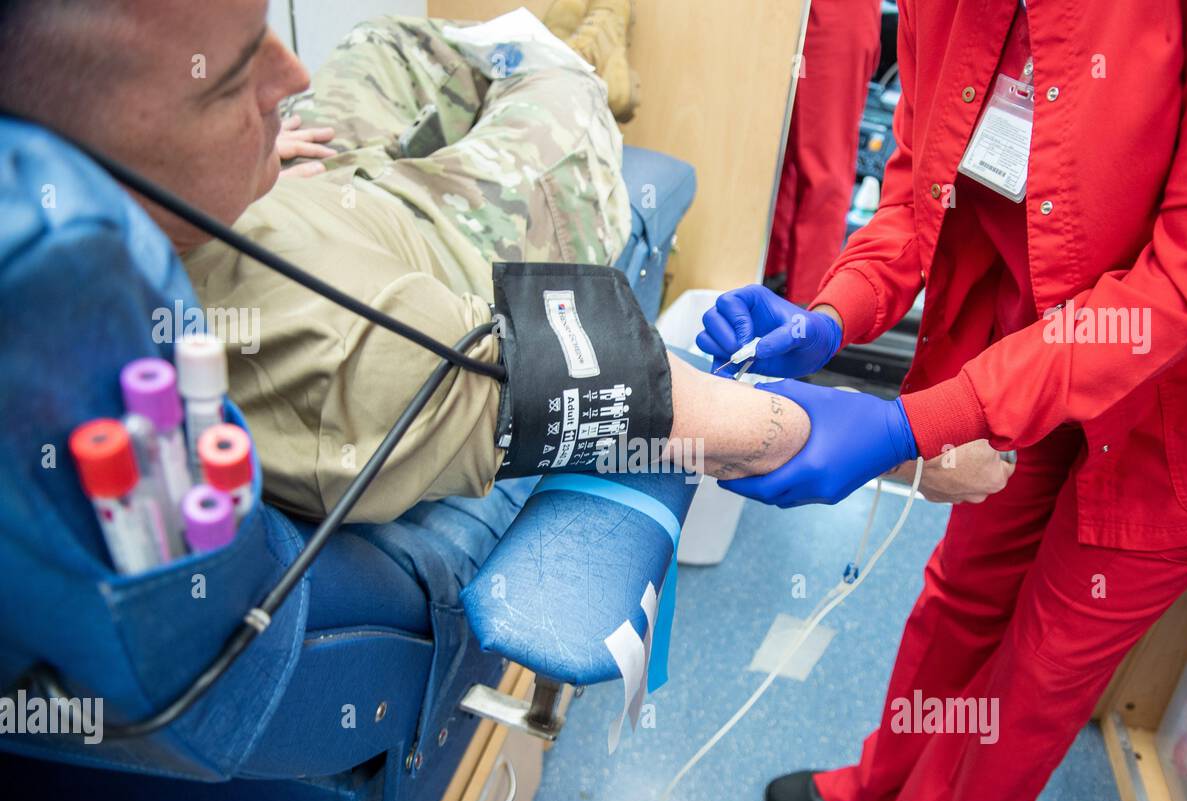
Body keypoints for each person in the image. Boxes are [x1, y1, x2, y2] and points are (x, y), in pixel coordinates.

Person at [699, 0, 1187, 801]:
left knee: (1042, 669)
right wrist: (829, 315)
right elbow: (914, 194)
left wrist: (911, 427)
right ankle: (884, 787)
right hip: (1031, 341)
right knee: (960, 594)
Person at [0, 1, 812, 524]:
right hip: (435, 232)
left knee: (384, 40)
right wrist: (845, 429)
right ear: (92, 175)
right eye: (232, 82)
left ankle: (529, 49)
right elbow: (630, 393)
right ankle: (586, 50)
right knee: (563, 92)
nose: (292, 76)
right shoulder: (328, 341)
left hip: (288, 184)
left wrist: (219, 166)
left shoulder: (80, 196)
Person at [765, 0, 881, 304]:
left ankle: (805, 317)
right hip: (768, 12)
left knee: (824, 168)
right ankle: (767, 280)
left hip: (836, 10)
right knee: (766, 156)